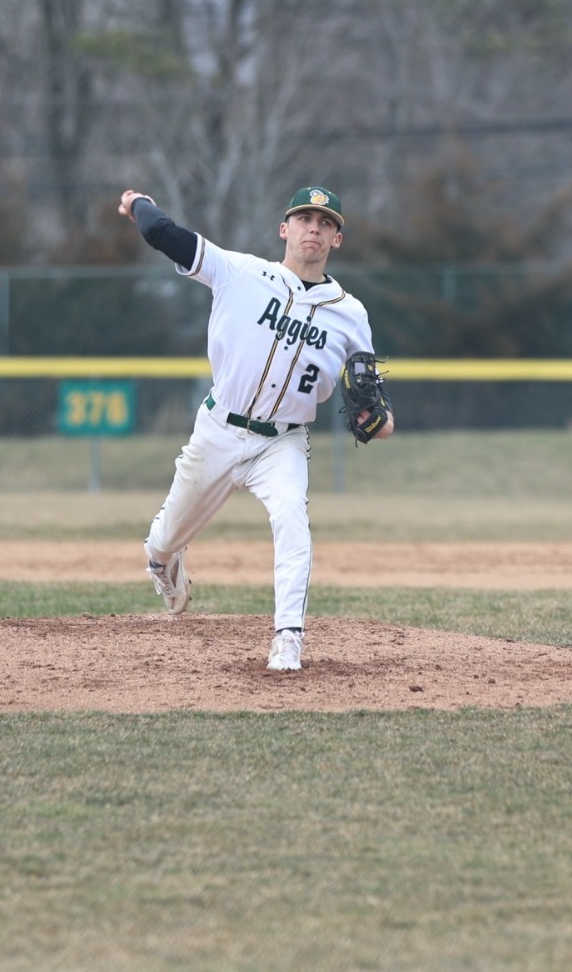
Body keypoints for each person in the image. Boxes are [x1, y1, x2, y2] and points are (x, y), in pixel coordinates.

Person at [118, 185, 395, 671]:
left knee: (292, 520)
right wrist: (138, 203)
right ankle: (164, 564)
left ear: (337, 240)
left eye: (326, 222)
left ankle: (288, 639)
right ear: (284, 229)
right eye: (305, 218)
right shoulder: (239, 272)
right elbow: (162, 234)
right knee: (162, 541)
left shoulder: (351, 315)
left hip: (283, 441)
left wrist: (378, 421)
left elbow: (374, 408)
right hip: (219, 430)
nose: (315, 228)